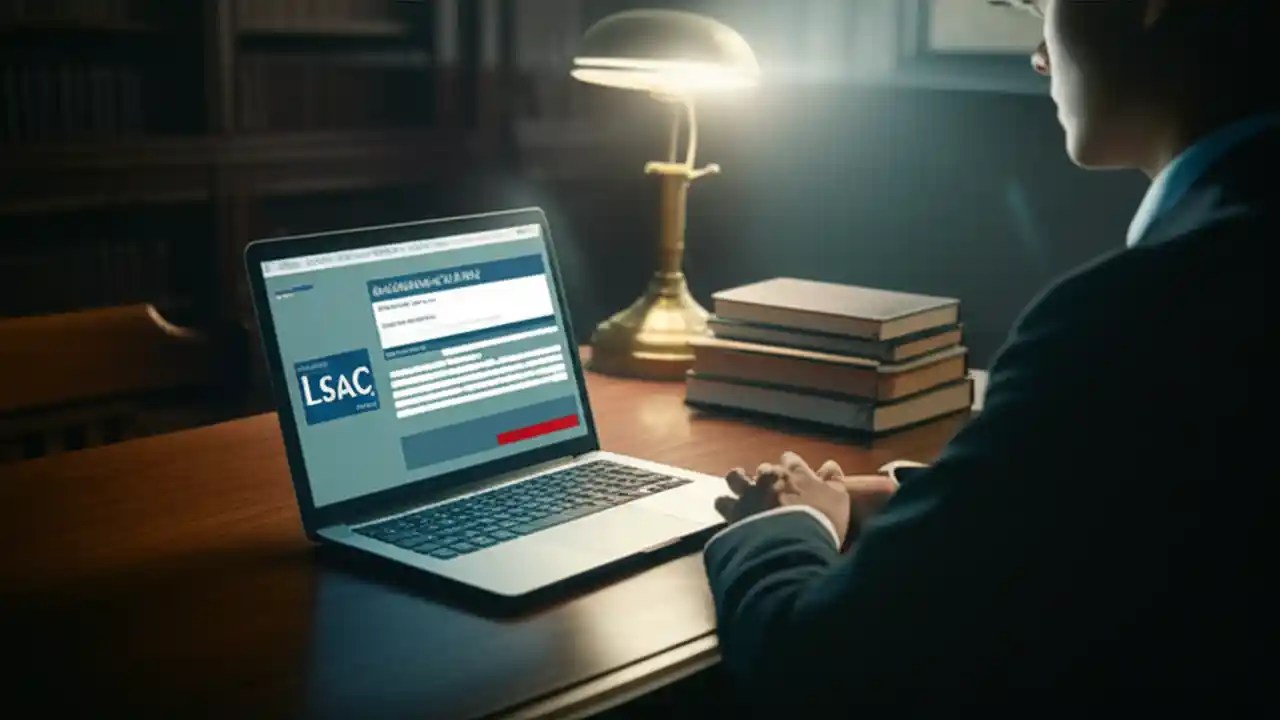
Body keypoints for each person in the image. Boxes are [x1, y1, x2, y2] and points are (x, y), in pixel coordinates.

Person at [705, 0, 1275, 709]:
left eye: (1048, 8)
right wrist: (914, 500)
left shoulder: (1136, 314)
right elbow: (1137, 497)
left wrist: (782, 522)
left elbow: (814, 666)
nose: (1039, 54)